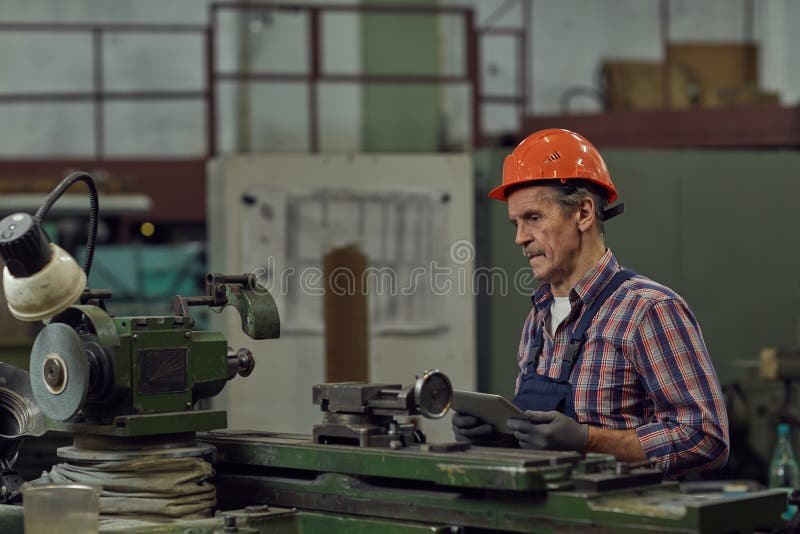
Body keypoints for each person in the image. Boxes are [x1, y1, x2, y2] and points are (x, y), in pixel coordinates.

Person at [453, 128, 728, 475]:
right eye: (515, 223)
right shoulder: (537, 320)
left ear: (583, 213)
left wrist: (587, 440)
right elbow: (541, 441)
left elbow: (706, 438)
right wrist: (499, 435)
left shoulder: (648, 310)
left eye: (534, 218)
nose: (520, 238)